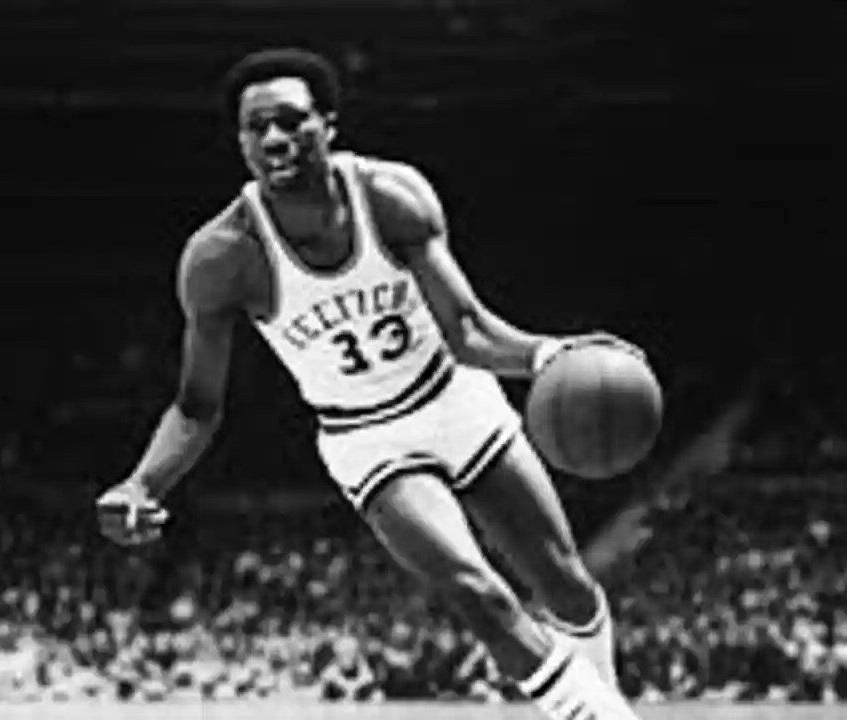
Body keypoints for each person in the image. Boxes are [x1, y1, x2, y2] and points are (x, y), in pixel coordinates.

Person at [97, 47, 648, 720]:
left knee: (565, 587)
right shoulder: (221, 256)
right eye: (256, 127)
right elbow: (196, 405)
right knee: (477, 592)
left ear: (328, 123)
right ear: (239, 140)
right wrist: (142, 484)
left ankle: (601, 707)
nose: (274, 138)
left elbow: (468, 331)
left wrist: (552, 353)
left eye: (291, 120)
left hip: (454, 395)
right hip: (365, 436)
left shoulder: (391, 197)